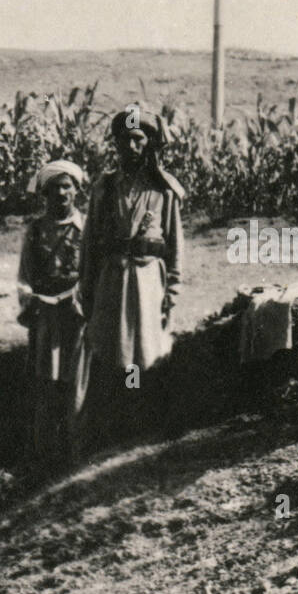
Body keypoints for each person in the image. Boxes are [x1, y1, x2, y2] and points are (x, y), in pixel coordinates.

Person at [75, 104, 185, 444]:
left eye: (138, 139)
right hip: (112, 280)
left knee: (144, 352)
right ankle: (113, 424)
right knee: (113, 351)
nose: (131, 147)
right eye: (124, 140)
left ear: (149, 143)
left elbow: (175, 244)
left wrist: (173, 291)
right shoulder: (105, 188)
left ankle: (142, 422)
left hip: (150, 281)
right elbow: (90, 240)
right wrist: (87, 287)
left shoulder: (165, 190)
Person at [17, 160, 88, 464]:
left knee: (78, 387)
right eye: (54, 188)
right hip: (45, 319)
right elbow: (24, 277)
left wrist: (75, 297)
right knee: (46, 388)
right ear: (44, 193)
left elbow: (93, 273)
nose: (61, 193)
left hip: (77, 316)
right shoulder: (35, 231)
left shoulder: (88, 229)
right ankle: (43, 461)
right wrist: (34, 301)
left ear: (76, 191)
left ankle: (77, 456)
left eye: (66, 186)